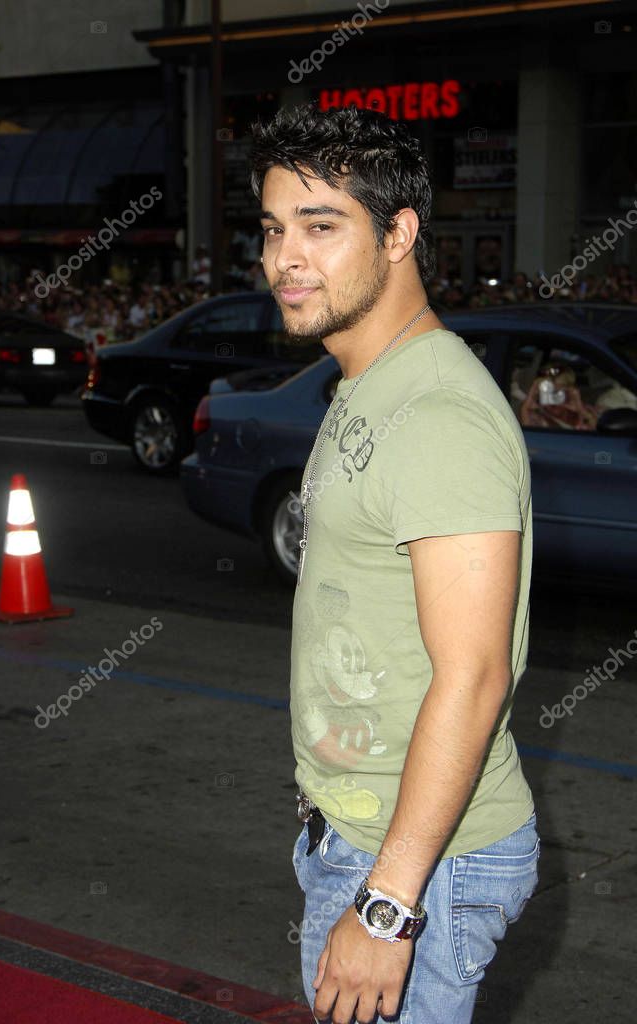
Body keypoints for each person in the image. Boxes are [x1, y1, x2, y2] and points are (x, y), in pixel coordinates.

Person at [250, 104, 539, 1024]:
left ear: (401, 233)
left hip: (420, 870)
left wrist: (387, 905)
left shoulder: (440, 416)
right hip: (368, 842)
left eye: (321, 227)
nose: (284, 259)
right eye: (273, 229)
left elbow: (476, 673)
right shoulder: (366, 385)